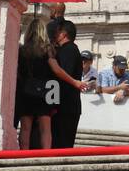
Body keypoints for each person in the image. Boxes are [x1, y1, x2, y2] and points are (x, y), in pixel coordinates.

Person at [14, 18, 81, 151]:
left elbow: (16, 72)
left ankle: (24, 155)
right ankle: (46, 155)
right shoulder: (48, 49)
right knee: (45, 128)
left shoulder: (22, 50)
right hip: (44, 92)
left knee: (25, 128)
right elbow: (56, 70)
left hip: (26, 91)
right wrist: (75, 82)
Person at [50, 19, 87, 149]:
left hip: (65, 106)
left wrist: (54, 104)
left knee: (61, 144)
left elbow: (63, 77)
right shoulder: (69, 49)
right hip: (67, 105)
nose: (55, 34)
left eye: (58, 32)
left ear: (64, 34)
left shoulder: (68, 50)